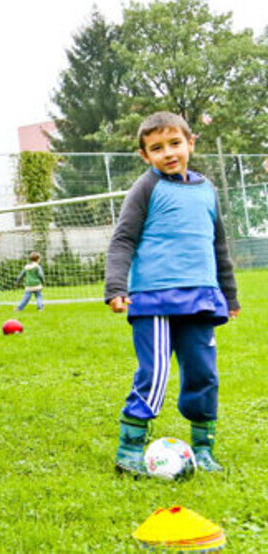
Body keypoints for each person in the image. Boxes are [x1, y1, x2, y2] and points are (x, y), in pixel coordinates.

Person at [105, 111, 239, 476]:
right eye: (157, 148)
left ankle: (203, 447)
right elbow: (123, 240)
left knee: (203, 374)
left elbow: (219, 247)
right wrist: (116, 287)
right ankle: (129, 447)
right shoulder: (146, 188)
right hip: (154, 299)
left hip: (201, 298)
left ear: (191, 143)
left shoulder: (207, 190)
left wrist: (230, 296)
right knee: (156, 372)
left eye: (175, 143)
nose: (168, 153)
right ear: (145, 156)